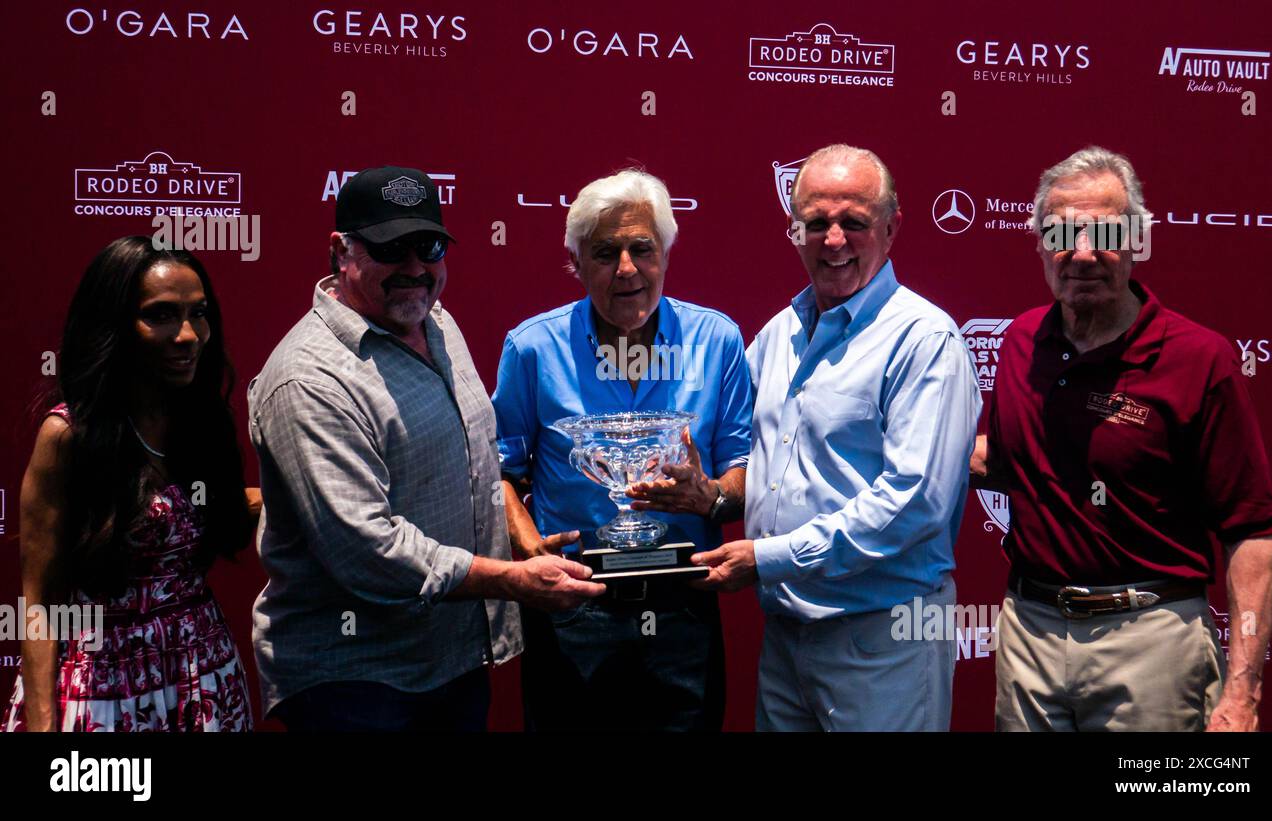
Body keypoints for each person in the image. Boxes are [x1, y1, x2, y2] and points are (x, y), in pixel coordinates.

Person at [249, 166, 603, 732]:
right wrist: (508, 580)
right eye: (391, 249)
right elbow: (367, 551)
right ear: (340, 251)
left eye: (428, 246)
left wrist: (523, 544)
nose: (414, 267)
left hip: (449, 665)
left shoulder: (437, 321)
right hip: (358, 683)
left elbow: (473, 465)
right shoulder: (309, 379)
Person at [971, 146, 1272, 732]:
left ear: (1137, 240)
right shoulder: (1019, 342)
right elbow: (1013, 462)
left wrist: (1244, 691)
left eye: (1105, 232)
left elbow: (1251, 530)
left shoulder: (1199, 358)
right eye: (1062, 233)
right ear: (1039, 241)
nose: (1082, 254)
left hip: (1152, 643)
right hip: (1029, 635)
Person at [693, 144, 982, 731]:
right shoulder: (778, 334)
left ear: (892, 228)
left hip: (882, 643)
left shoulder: (925, 340)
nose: (834, 240)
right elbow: (759, 462)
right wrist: (708, 494)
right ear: (792, 229)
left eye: (854, 222)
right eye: (816, 223)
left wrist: (771, 557)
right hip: (786, 641)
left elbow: (913, 501)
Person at [492, 168, 751, 731]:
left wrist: (709, 498)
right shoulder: (533, 347)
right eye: (606, 252)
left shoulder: (717, 342)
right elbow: (500, 473)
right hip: (574, 603)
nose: (627, 269)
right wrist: (531, 548)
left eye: (642, 248)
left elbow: (745, 471)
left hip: (682, 606)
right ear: (577, 261)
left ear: (666, 254)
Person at [2, 236, 257, 732]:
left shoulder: (202, 422)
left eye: (198, 313)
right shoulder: (68, 437)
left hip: (205, 676)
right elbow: (38, 604)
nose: (188, 335)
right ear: (113, 325)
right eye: (160, 315)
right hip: (103, 687)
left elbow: (212, 510)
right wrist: (42, 725)